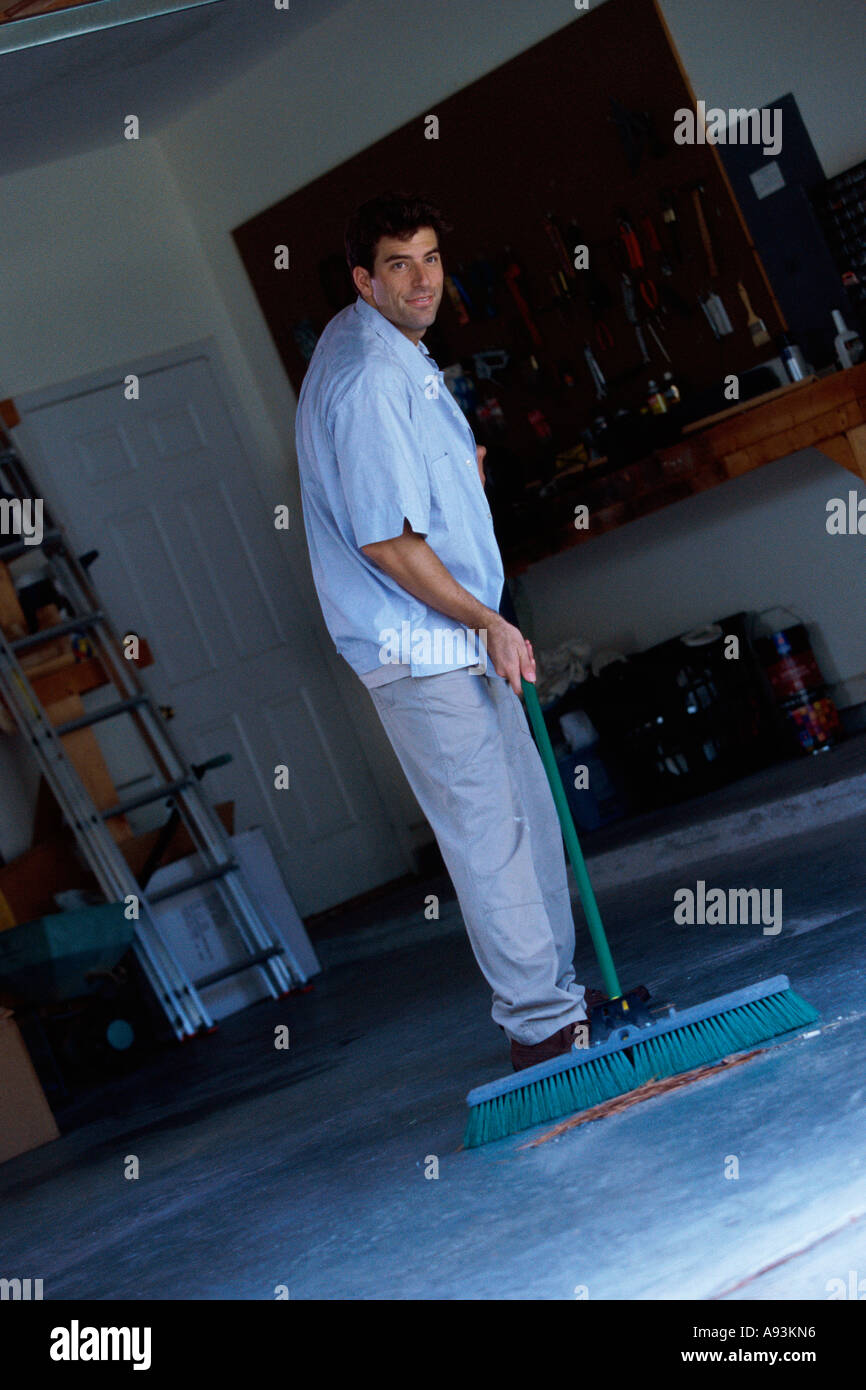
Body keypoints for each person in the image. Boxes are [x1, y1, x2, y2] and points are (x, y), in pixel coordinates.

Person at [295, 191, 592, 1070]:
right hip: (421, 647)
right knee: (487, 834)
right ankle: (544, 1031)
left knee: (527, 818)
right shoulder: (368, 377)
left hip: (456, 636)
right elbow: (385, 538)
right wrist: (489, 621)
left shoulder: (392, 352)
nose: (423, 280)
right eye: (399, 263)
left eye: (430, 258)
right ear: (364, 278)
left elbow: (408, 498)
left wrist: (460, 479)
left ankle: (565, 1003)